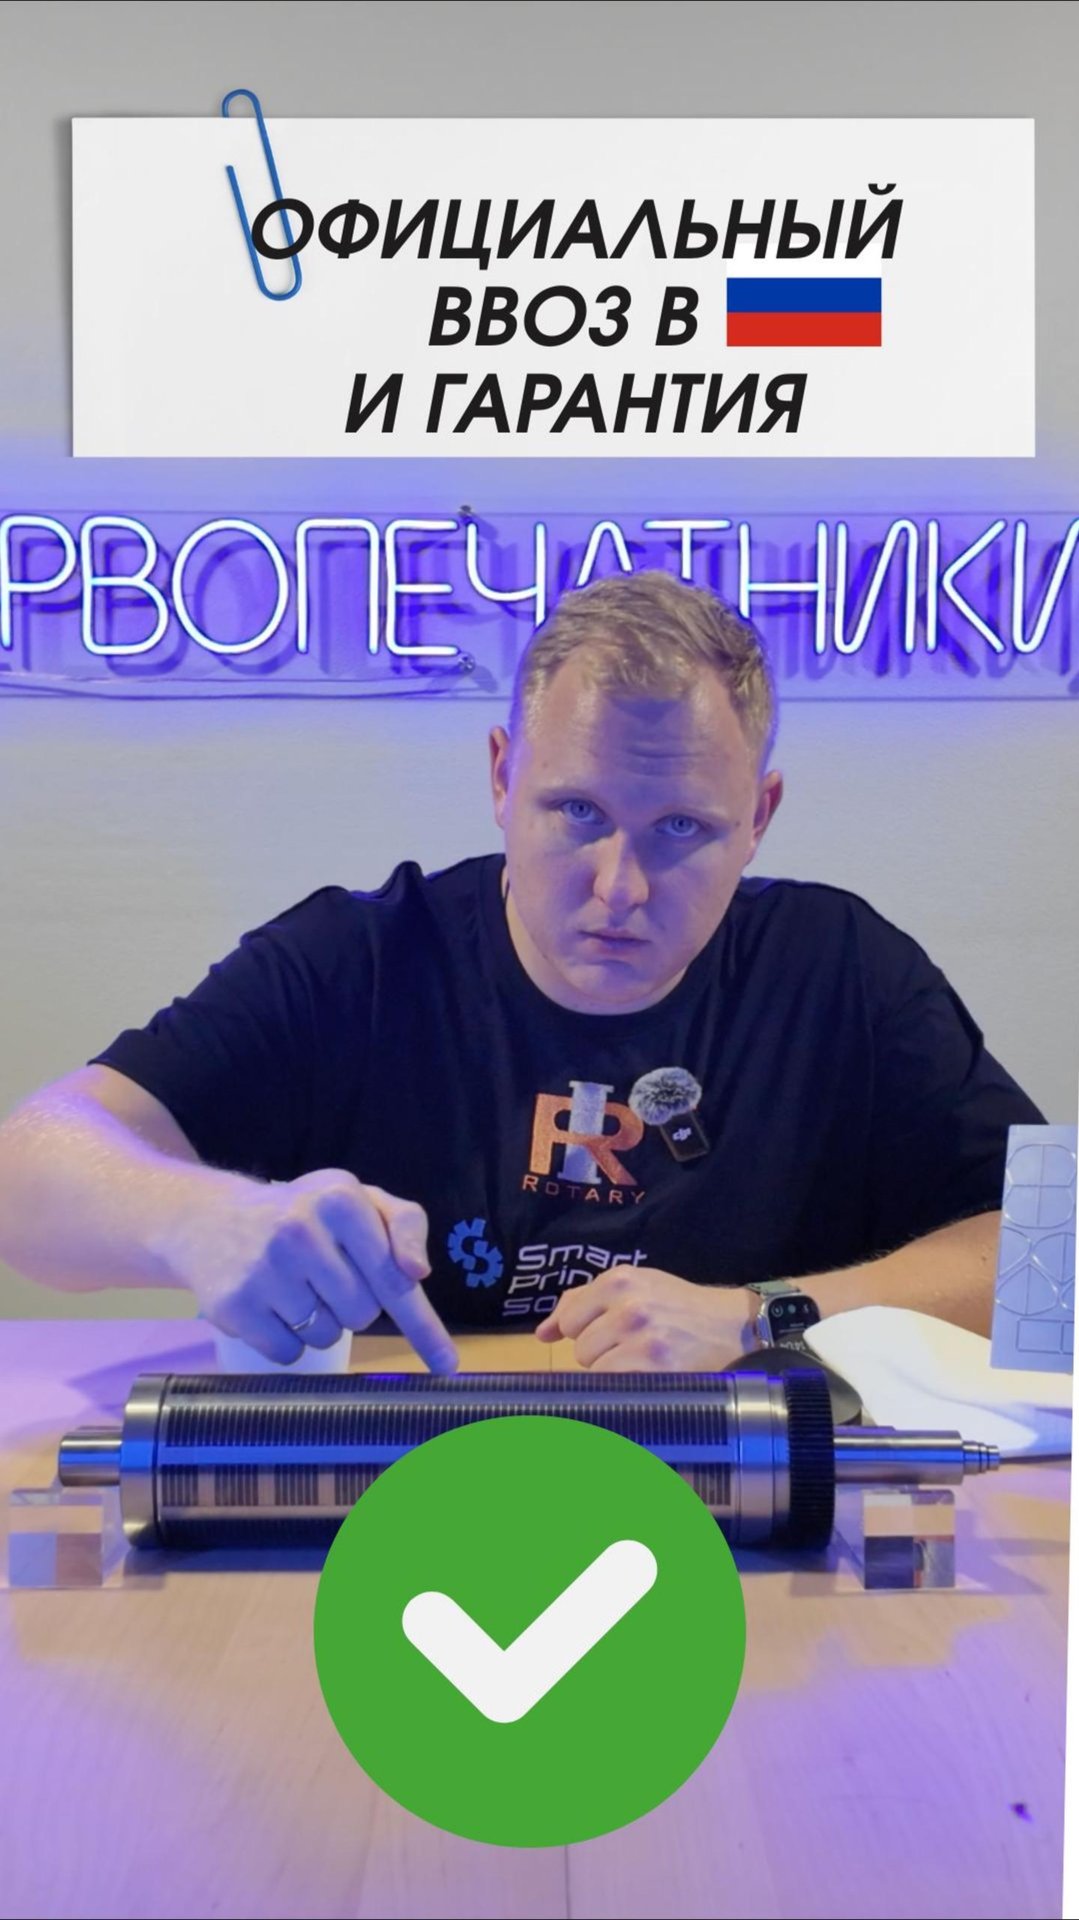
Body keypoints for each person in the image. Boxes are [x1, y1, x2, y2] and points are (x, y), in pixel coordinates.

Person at [0, 571, 1043, 1374]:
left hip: (751, 1498)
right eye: (577, 812)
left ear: (758, 817)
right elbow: (28, 1173)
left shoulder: (837, 972)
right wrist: (203, 1220)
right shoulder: (360, 962)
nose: (620, 886)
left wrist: (757, 1315)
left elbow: (1054, 1254)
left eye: (681, 828)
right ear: (503, 775)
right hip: (395, 1492)